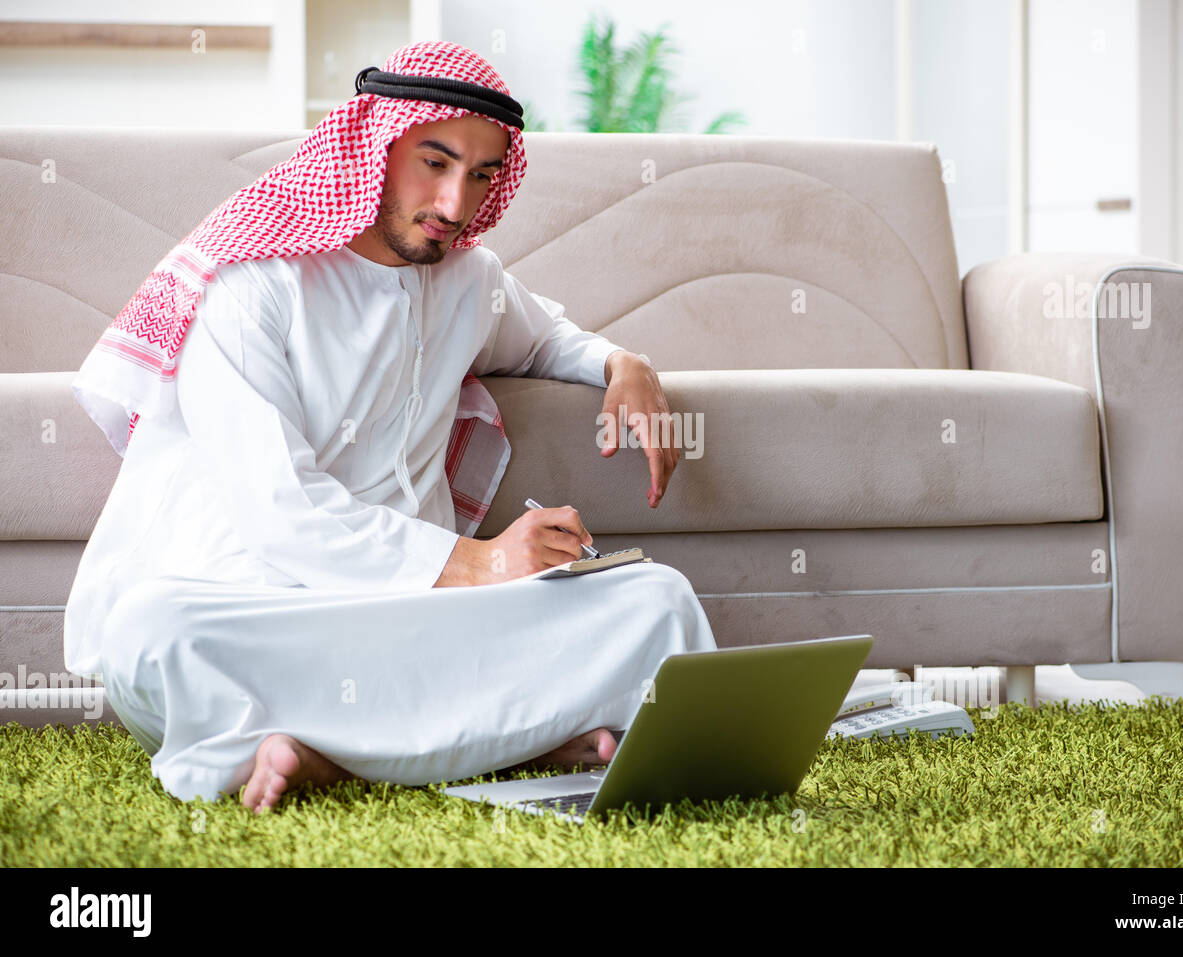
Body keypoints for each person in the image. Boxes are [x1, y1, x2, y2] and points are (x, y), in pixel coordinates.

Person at [62, 40, 717, 814]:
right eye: (433, 163)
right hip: (262, 608)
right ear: (375, 145)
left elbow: (547, 339)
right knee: (154, 631)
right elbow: (283, 514)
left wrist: (623, 364)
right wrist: (484, 563)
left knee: (657, 600)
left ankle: (321, 752)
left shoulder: (471, 281)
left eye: (479, 175)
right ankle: (512, 738)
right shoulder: (250, 287)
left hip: (416, 617)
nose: (453, 205)